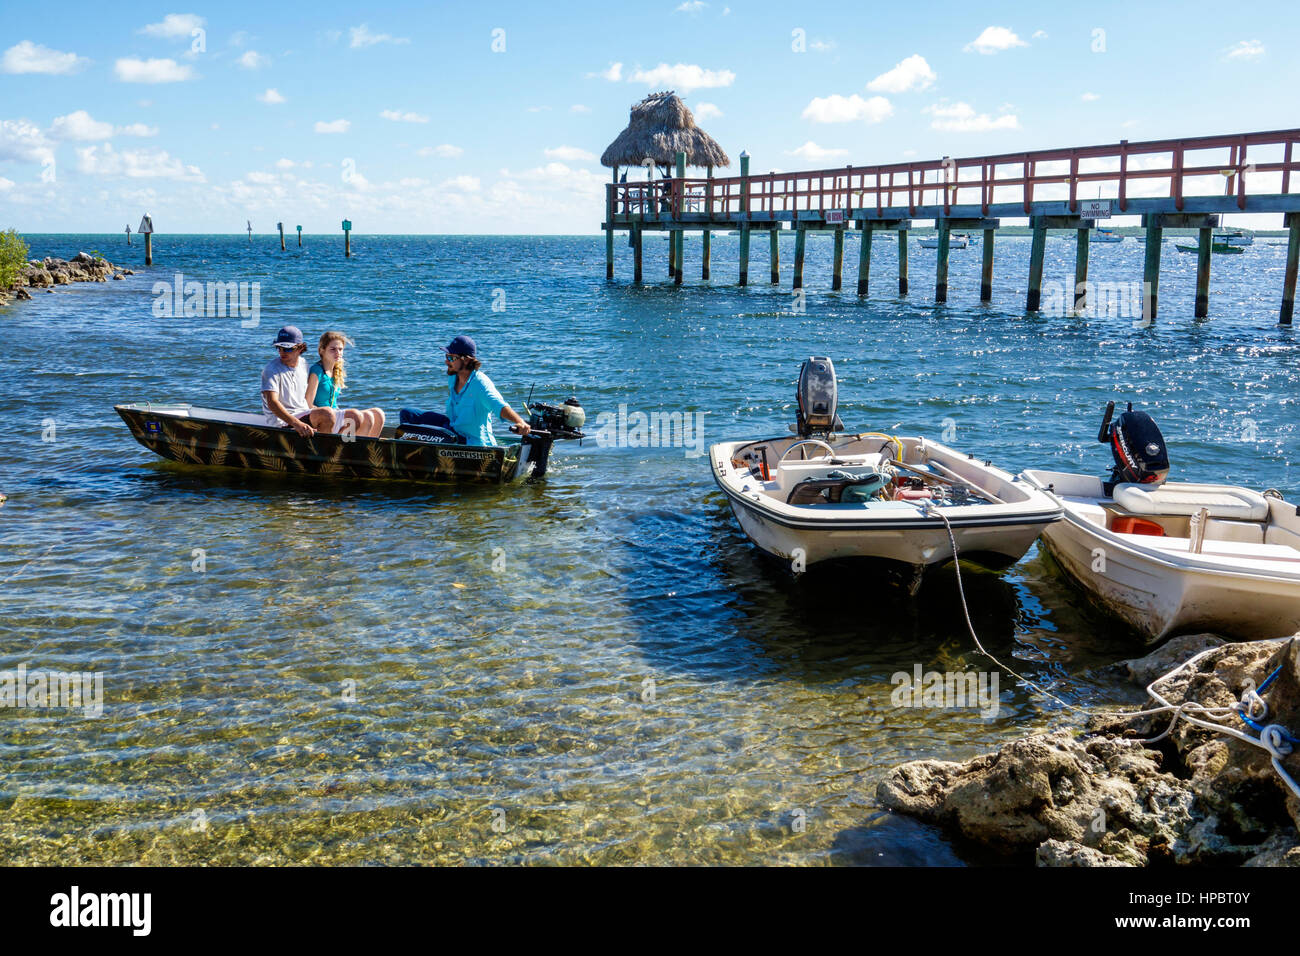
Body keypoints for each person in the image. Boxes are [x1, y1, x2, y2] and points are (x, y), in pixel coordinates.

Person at [399, 335, 530, 446]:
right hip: (452, 428)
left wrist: (520, 422)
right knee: (407, 414)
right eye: (446, 356)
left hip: (470, 441)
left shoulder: (480, 384)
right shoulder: (453, 377)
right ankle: (410, 455)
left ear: (466, 360)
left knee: (443, 437)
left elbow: (499, 406)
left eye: (451, 358)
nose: (446, 361)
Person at [306, 331, 385, 438]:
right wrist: (332, 415)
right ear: (322, 350)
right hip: (324, 419)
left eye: (340, 349)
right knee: (365, 416)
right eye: (333, 349)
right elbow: (308, 403)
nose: (338, 353)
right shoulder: (317, 371)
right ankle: (341, 449)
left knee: (378, 413)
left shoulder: (335, 371)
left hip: (336, 413)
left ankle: (368, 450)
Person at [261, 325, 337, 436]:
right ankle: (323, 450)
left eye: (287, 348)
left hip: (303, 414)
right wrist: (297, 424)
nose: (282, 352)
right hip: (282, 423)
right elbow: (272, 403)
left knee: (353, 415)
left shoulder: (304, 364)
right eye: (279, 348)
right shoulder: (271, 370)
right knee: (327, 414)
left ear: (300, 348)